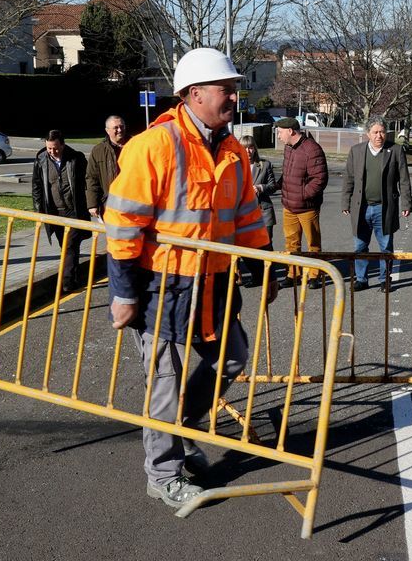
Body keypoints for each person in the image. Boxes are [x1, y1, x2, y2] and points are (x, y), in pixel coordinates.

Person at [104, 47, 276, 511]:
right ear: (194, 93)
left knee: (233, 356)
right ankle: (163, 475)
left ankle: (179, 432)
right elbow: (123, 225)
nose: (234, 97)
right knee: (165, 382)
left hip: (214, 285)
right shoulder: (154, 146)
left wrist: (265, 269)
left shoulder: (233, 150)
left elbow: (247, 219)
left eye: (235, 89)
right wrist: (123, 293)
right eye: (226, 89)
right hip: (162, 287)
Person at [342, 119, 412, 292]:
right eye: (375, 132)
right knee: (360, 246)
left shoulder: (395, 150)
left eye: (382, 132)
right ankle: (361, 279)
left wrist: (406, 204)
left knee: (386, 247)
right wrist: (345, 202)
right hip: (361, 208)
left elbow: (404, 180)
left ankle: (385, 279)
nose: (379, 136)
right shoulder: (357, 151)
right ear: (368, 134)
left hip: (384, 208)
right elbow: (349, 179)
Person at [30, 130, 90, 292]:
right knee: (65, 246)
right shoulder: (41, 160)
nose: (52, 151)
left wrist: (92, 203)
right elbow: (36, 187)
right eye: (49, 148)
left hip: (74, 210)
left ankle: (66, 283)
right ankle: (74, 277)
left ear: (63, 145)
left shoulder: (76, 158)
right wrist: (39, 211)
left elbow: (89, 180)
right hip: (54, 212)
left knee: (70, 245)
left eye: (55, 148)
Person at [274, 117, 328, 289]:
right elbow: (287, 174)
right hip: (288, 206)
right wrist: (278, 186)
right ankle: (293, 274)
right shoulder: (288, 148)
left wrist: (303, 195)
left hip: (307, 207)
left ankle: (314, 275)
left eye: (280, 132)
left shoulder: (312, 149)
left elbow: (319, 179)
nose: (278, 136)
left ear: (290, 131)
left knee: (313, 243)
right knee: (291, 242)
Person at [239, 135, 280, 286]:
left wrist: (261, 187)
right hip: (244, 215)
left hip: (263, 212)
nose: (248, 151)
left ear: (255, 149)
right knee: (247, 248)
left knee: (266, 246)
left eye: (250, 147)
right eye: (244, 148)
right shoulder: (235, 166)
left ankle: (270, 278)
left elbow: (273, 186)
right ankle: (256, 276)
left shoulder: (264, 165)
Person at [86, 115, 128, 220]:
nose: (120, 130)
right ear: (107, 130)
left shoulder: (136, 146)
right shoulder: (98, 151)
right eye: (116, 128)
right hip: (109, 205)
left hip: (133, 204)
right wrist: (92, 204)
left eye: (121, 126)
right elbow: (92, 178)